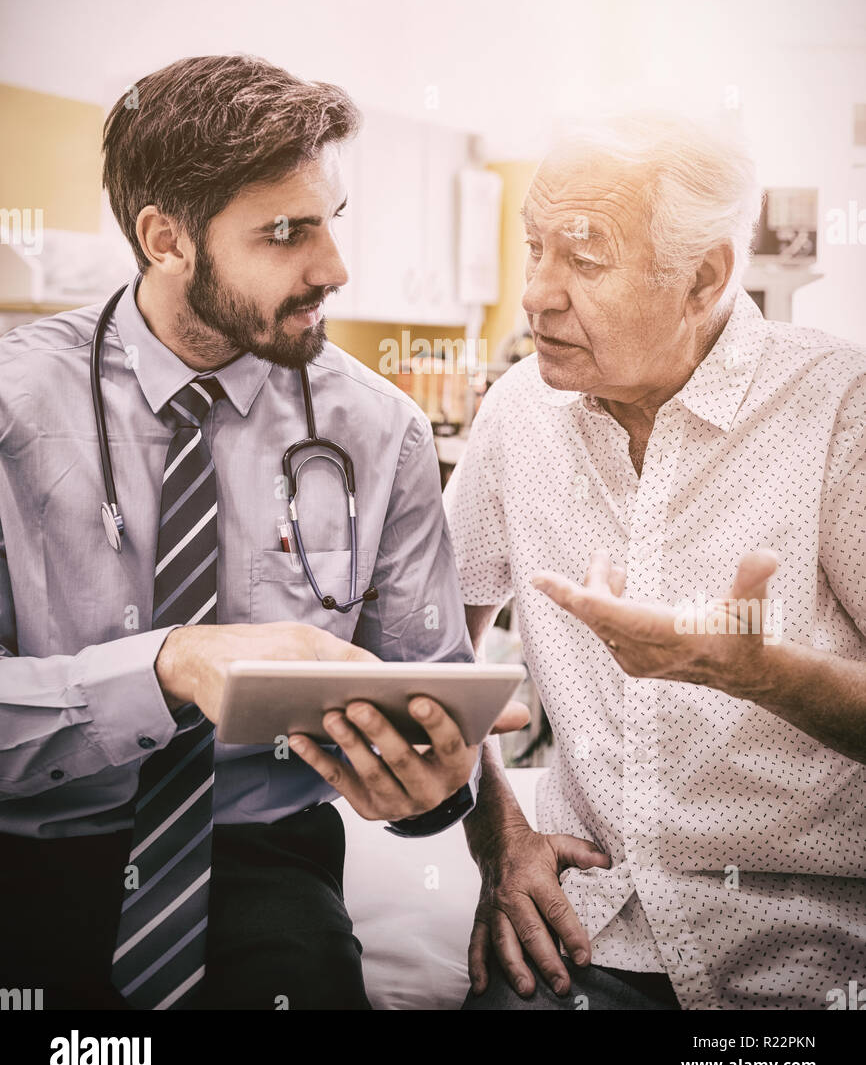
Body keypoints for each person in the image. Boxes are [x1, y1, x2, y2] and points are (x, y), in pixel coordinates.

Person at [0, 53, 522, 1012]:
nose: (334, 268)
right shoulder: (13, 406)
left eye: (332, 223)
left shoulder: (380, 430)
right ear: (166, 238)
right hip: (32, 844)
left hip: (262, 858)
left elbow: (428, 700)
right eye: (287, 233)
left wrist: (433, 792)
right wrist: (166, 667)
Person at [444, 110, 866, 1011]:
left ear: (703, 276)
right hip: (581, 926)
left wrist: (763, 675)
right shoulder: (518, 413)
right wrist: (500, 836)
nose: (536, 296)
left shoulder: (841, 410)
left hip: (806, 950)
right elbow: (434, 652)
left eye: (584, 260)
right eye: (535, 250)